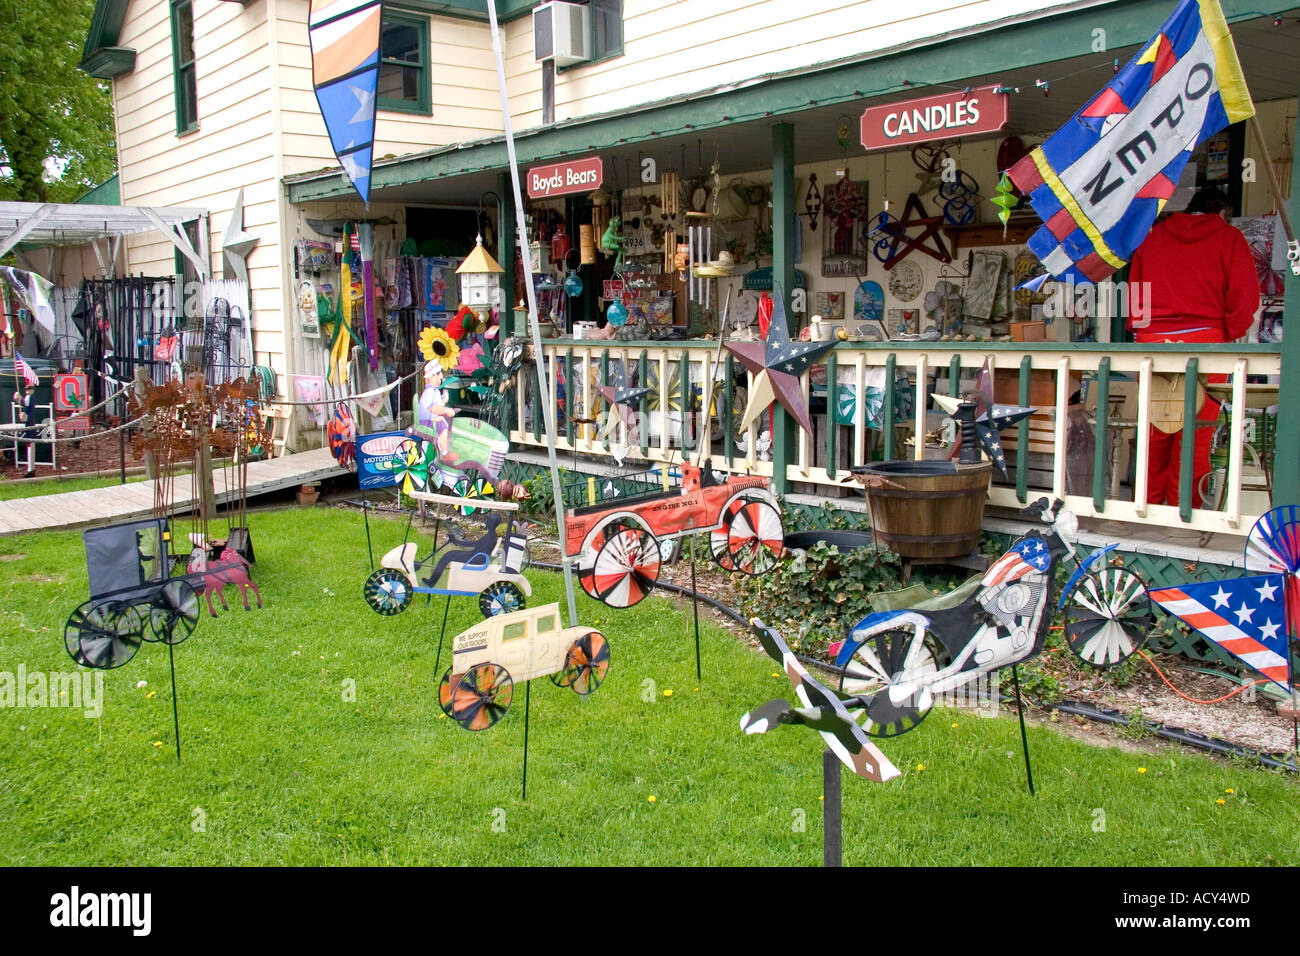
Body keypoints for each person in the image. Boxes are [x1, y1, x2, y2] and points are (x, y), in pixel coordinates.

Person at [1126, 187, 1260, 508]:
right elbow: (1244, 297)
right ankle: (1183, 513)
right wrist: (1231, 331)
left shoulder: (1153, 236)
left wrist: (1142, 331)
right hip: (1207, 344)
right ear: (1222, 214)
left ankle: (1146, 508)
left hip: (1155, 343)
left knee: (1155, 431)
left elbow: (1135, 292)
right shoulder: (1229, 237)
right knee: (1196, 435)